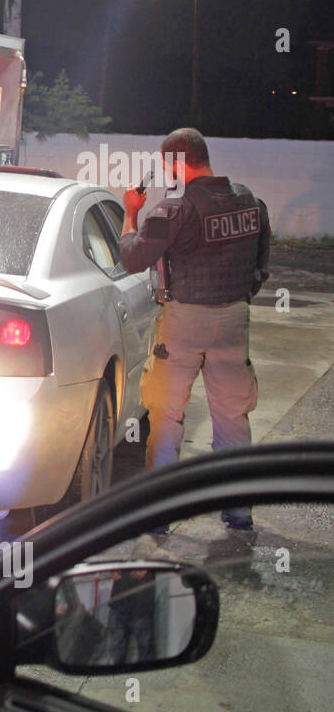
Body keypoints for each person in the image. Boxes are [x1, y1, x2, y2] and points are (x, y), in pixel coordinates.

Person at [119, 128, 270, 530]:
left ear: (175, 162)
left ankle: (159, 514)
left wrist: (131, 211)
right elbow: (261, 268)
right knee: (233, 417)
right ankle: (238, 511)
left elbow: (133, 259)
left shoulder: (175, 210)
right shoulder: (252, 202)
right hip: (234, 320)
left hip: (185, 321)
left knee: (167, 415)